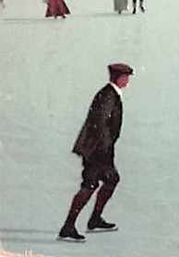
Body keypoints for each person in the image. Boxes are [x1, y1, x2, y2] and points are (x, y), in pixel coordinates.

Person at [58, 63, 134, 242]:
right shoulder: (108, 95)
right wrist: (104, 149)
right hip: (97, 151)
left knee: (108, 180)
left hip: (100, 149)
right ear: (120, 78)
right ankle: (69, 226)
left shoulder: (111, 94)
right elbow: (99, 124)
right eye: (127, 77)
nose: (128, 80)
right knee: (91, 185)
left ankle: (94, 219)